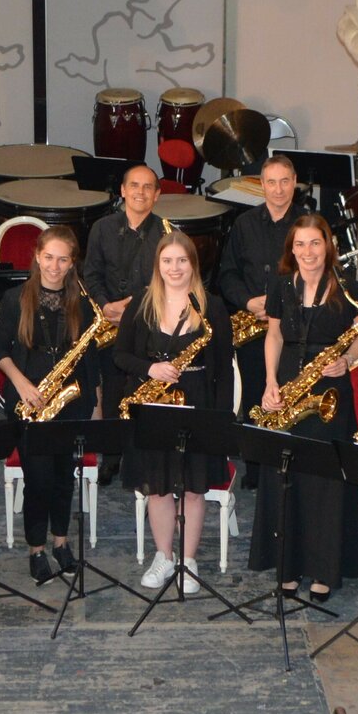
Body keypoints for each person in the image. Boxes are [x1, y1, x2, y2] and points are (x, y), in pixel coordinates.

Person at [250, 215, 358, 604]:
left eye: (315, 243)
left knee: (324, 481)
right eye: (300, 244)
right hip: (287, 384)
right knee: (287, 475)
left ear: (328, 245)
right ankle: (288, 565)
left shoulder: (346, 285)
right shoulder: (282, 284)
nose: (308, 252)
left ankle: (323, 568)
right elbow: (273, 334)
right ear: (291, 249)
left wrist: (348, 359)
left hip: (329, 389)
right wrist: (270, 381)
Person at [113, 231, 233, 589]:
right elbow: (120, 355)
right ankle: (164, 556)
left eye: (182, 260)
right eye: (167, 261)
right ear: (157, 265)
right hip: (152, 402)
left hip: (197, 400)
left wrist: (222, 423)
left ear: (193, 264)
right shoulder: (141, 304)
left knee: (194, 488)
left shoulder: (212, 306)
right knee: (158, 487)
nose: (174, 268)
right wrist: (149, 369)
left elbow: (224, 369)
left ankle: (189, 560)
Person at [0, 227, 100, 584]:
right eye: (49, 257)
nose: (55, 266)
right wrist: (21, 383)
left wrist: (92, 405)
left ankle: (61, 542)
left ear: (72, 264)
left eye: (63, 259)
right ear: (38, 256)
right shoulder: (15, 298)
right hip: (31, 399)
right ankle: (36, 549)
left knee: (63, 477)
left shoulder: (82, 303)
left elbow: (89, 357)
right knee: (38, 479)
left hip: (69, 401)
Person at [215, 155, 305, 418]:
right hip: (252, 331)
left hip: (294, 332)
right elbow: (227, 275)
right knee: (256, 402)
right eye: (272, 182)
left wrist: (284, 304)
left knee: (291, 405)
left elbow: (321, 276)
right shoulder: (244, 224)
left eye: (285, 181)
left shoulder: (309, 224)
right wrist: (248, 302)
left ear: (295, 182)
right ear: (262, 185)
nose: (278, 189)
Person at [83, 164, 163, 420]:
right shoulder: (101, 228)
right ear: (123, 190)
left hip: (148, 328)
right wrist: (106, 306)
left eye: (148, 187)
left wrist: (135, 311)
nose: (141, 192)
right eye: (134, 185)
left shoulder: (167, 234)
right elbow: (91, 275)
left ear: (157, 195)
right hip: (108, 324)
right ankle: (111, 455)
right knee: (111, 392)